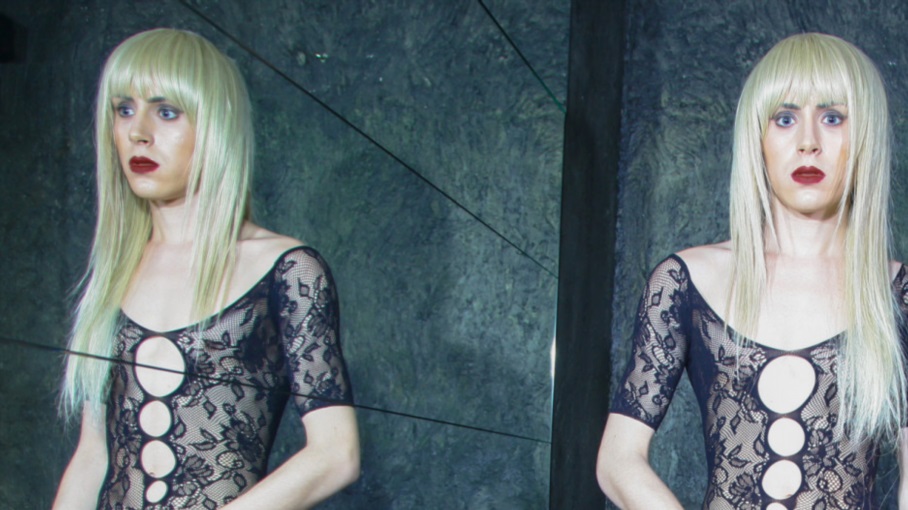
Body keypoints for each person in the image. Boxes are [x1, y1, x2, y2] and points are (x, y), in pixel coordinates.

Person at [596, 33, 908, 509]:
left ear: (864, 135)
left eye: (832, 117)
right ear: (757, 138)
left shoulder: (896, 295)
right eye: (785, 118)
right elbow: (618, 459)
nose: (808, 142)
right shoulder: (686, 282)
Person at [52, 28, 359, 509]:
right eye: (124, 109)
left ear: (216, 126)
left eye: (166, 112)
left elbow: (336, 454)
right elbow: (93, 456)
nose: (138, 132)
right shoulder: (114, 272)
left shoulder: (287, 271)